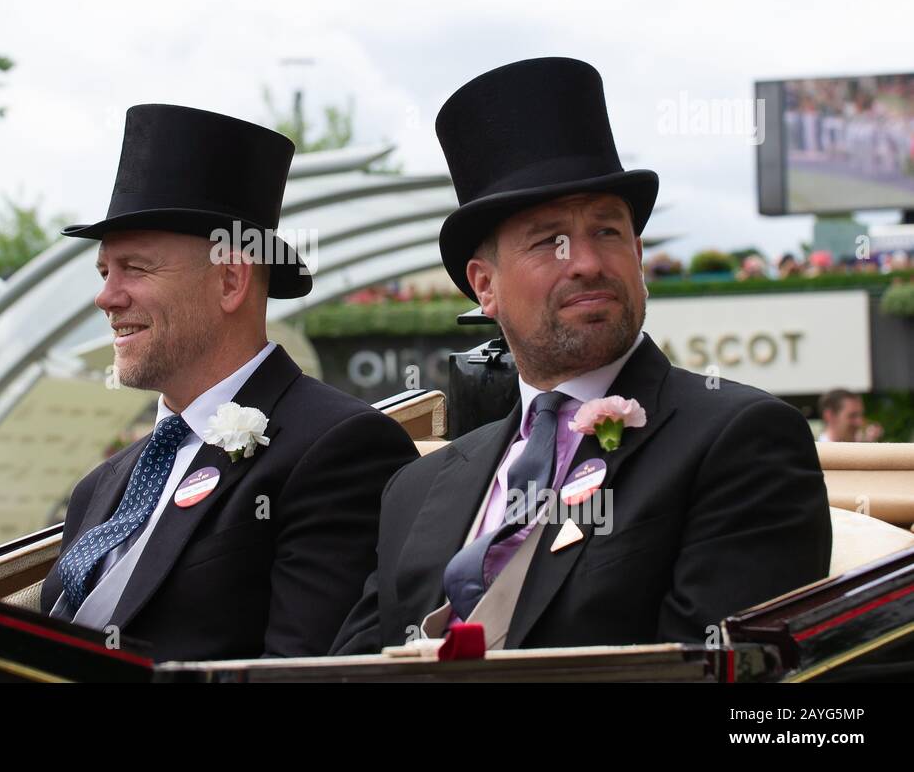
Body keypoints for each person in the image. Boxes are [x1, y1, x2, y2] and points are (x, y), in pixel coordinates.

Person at [332, 57, 831, 654]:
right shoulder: (414, 489)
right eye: (551, 242)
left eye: (609, 231)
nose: (589, 262)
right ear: (483, 285)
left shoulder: (740, 440)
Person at [39, 104, 418, 660]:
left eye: (136, 269)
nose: (106, 297)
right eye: (104, 272)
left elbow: (303, 675)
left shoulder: (340, 449)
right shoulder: (100, 486)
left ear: (231, 280)